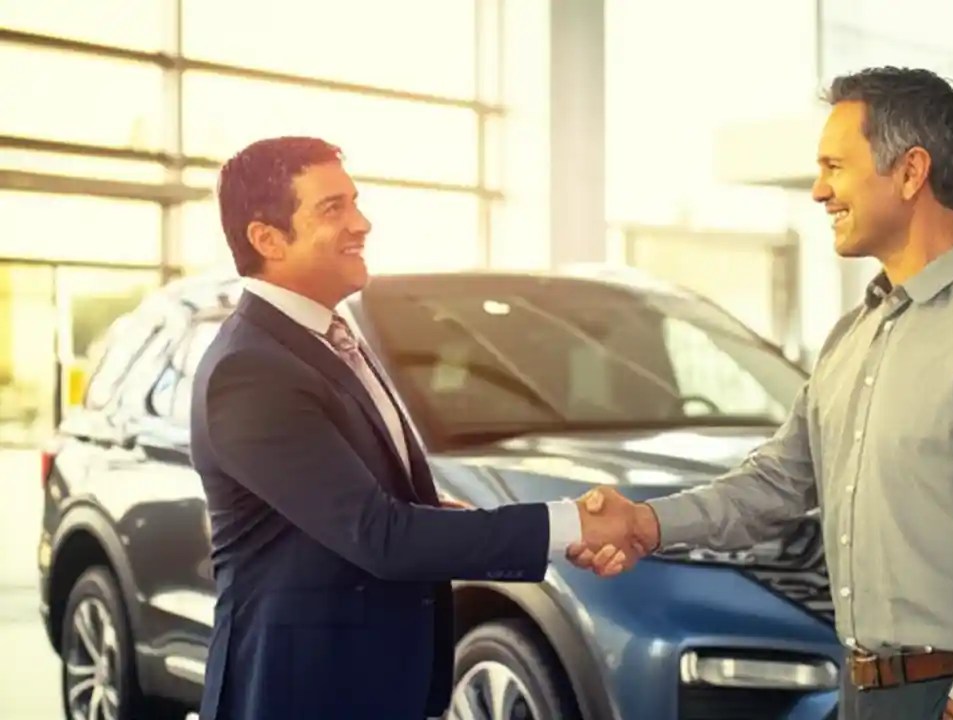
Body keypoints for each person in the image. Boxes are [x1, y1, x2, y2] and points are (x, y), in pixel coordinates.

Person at [568, 67, 953, 720]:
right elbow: (776, 484)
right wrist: (647, 523)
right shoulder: (854, 338)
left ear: (910, 172)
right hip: (864, 693)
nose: (820, 191)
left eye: (834, 167)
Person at [189, 137, 628, 720]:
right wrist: (569, 522)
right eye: (333, 209)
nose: (361, 223)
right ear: (267, 239)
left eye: (354, 202)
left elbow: (382, 506)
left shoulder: (327, 338)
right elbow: (382, 536)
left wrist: (546, 535)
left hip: (367, 687)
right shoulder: (251, 371)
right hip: (302, 695)